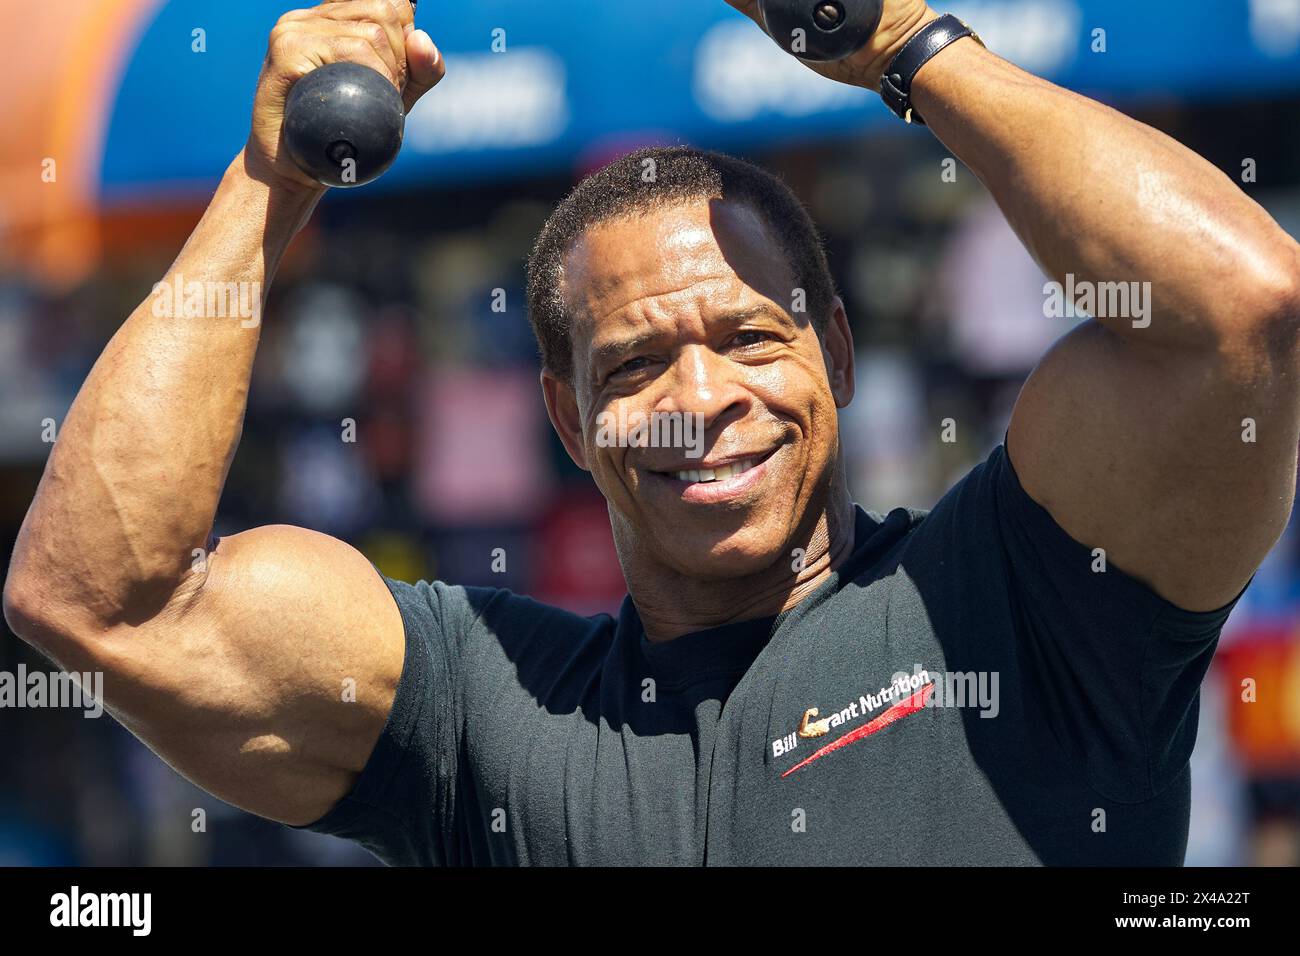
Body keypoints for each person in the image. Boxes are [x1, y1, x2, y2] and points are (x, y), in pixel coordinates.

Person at [5, 0, 1299, 865]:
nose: (698, 396)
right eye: (634, 363)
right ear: (564, 417)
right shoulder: (481, 712)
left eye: (749, 339)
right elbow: (100, 603)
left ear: (836, 356)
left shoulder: (1020, 602)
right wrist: (270, 175)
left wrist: (907, 41)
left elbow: (1241, 312)